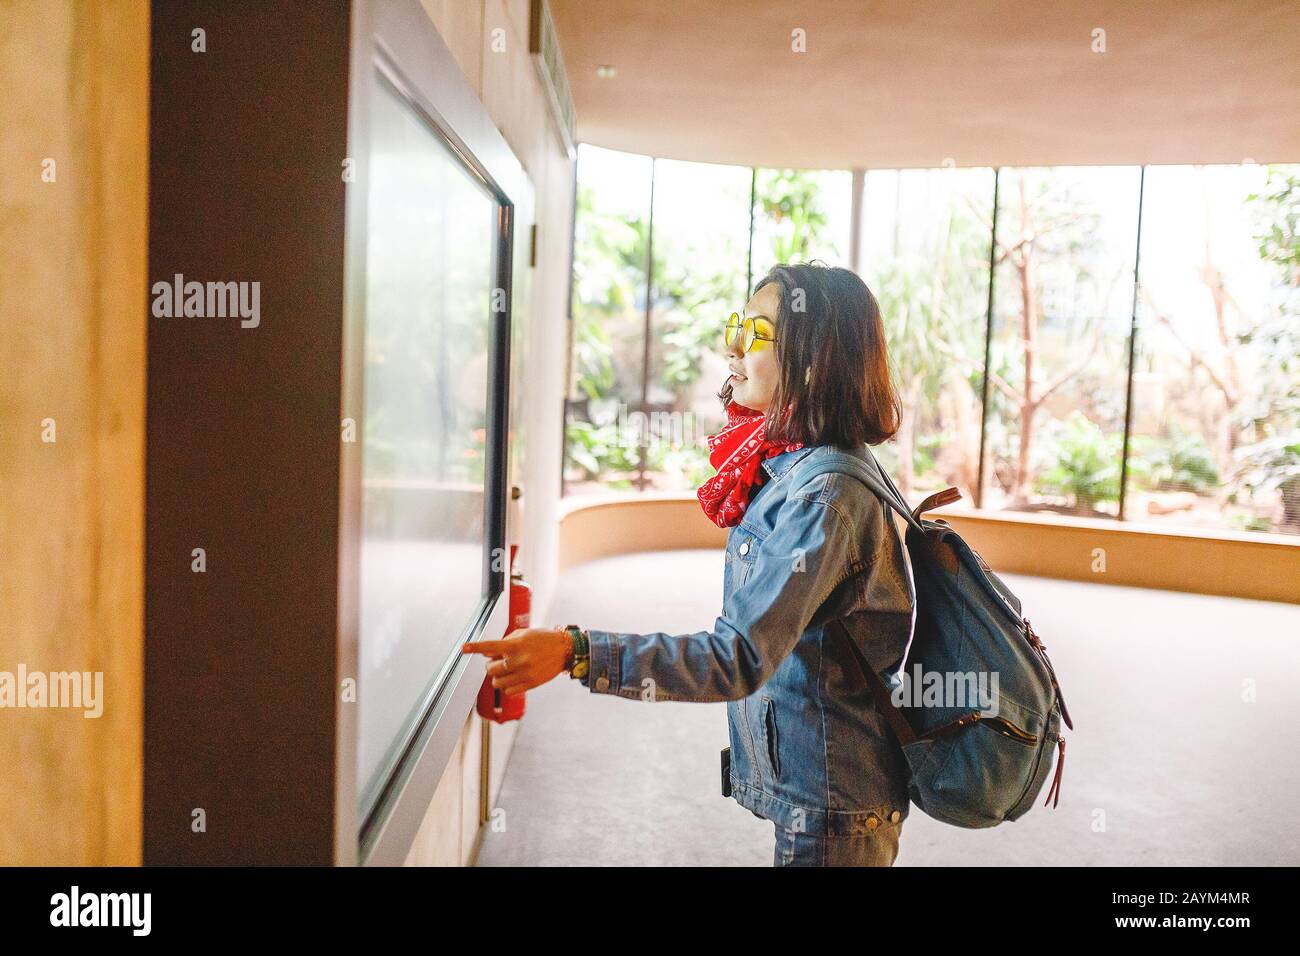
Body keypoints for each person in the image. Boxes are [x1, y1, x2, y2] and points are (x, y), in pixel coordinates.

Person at [463, 262, 915, 867]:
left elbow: (736, 658)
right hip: (826, 790)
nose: (733, 347)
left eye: (754, 334)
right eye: (738, 325)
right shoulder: (797, 468)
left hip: (835, 805)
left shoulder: (823, 496)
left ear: (812, 360)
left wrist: (574, 651)